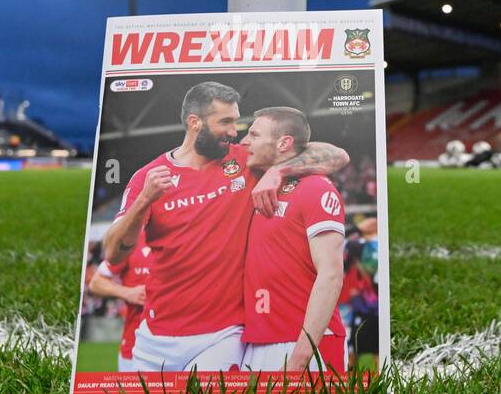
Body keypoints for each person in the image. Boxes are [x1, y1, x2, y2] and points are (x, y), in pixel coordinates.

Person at [103, 81, 348, 375]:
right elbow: (113, 254)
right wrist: (144, 201)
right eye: (226, 122)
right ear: (195, 123)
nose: (235, 132)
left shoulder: (244, 161)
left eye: (237, 122)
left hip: (221, 335)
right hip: (154, 335)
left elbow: (336, 155)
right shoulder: (149, 177)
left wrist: (278, 170)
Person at [239, 107, 347, 374]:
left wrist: (300, 357)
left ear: (284, 143)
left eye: (253, 134)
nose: (244, 141)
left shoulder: (316, 187)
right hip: (257, 341)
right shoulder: (252, 180)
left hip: (304, 345)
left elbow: (331, 276)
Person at [88, 230, 151, 372]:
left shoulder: (185, 238)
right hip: (135, 347)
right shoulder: (131, 241)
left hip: (183, 343)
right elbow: (96, 282)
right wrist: (127, 292)